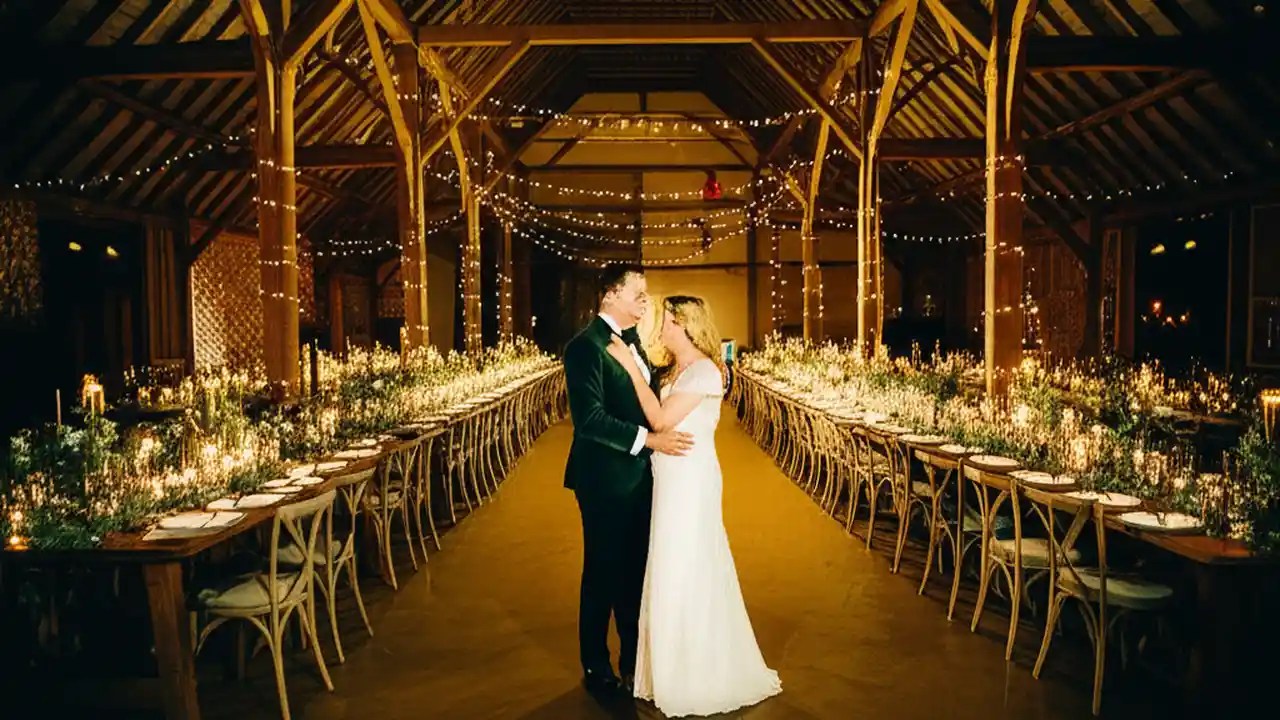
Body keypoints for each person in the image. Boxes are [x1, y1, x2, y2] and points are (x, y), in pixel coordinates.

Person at [607, 295, 782, 717]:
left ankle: (695, 672)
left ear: (686, 324)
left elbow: (662, 421)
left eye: (667, 321)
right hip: (669, 479)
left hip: (691, 481)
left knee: (687, 563)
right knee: (668, 563)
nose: (661, 328)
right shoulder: (677, 369)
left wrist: (630, 369)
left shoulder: (704, 370)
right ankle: (669, 667)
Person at [562, 264, 694, 698]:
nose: (645, 302)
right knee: (602, 570)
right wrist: (651, 439)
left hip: (640, 476)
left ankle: (634, 658)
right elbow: (591, 422)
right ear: (612, 294)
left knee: (635, 571)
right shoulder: (585, 347)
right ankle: (596, 664)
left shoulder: (633, 343)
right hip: (603, 478)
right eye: (638, 293)